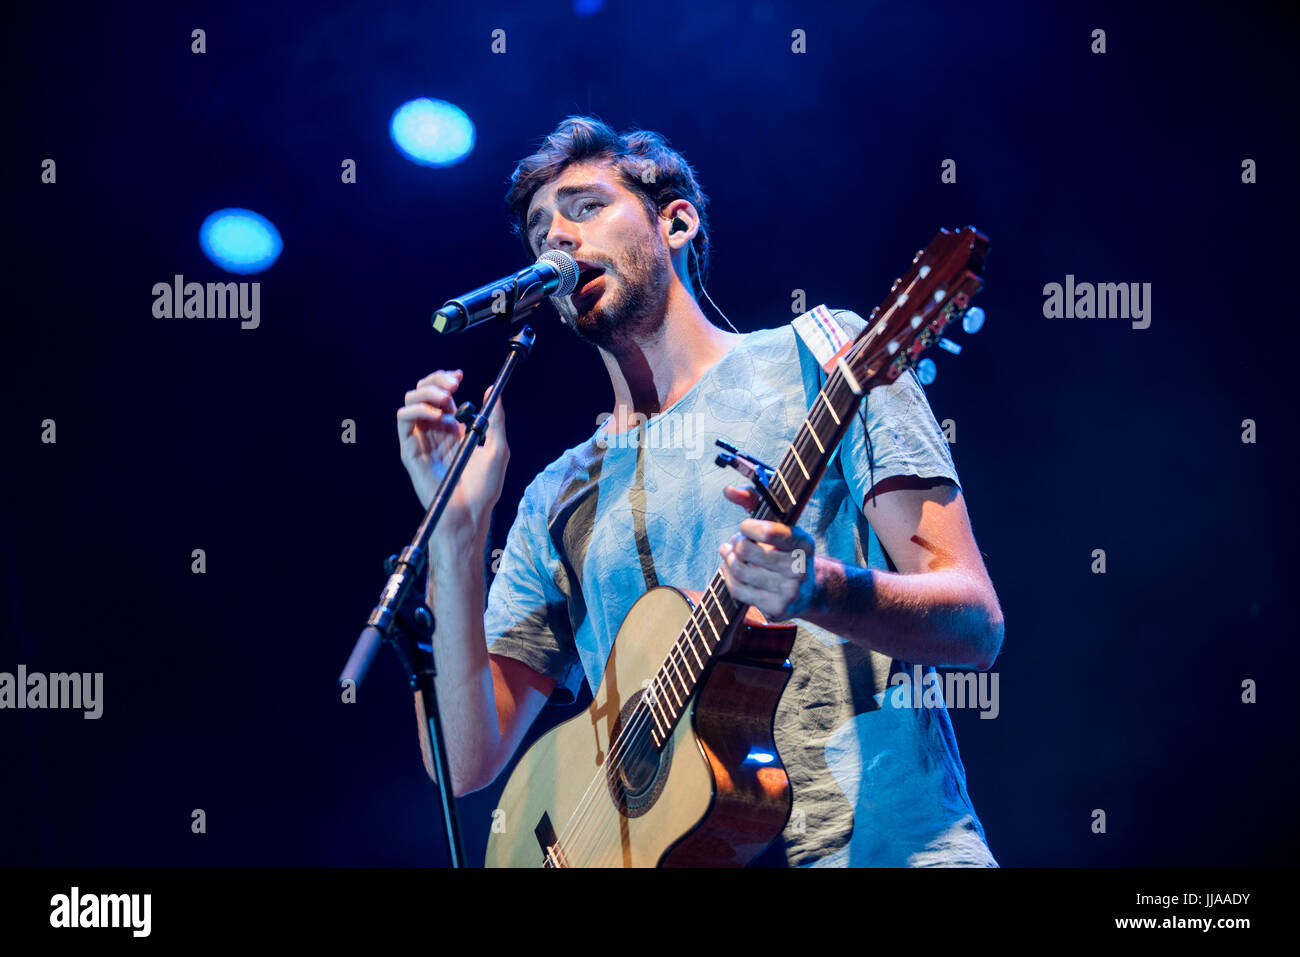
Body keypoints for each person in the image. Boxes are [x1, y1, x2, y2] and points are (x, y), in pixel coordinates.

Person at [396, 116, 1004, 867]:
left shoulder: (825, 356)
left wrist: (822, 589)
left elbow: (976, 625)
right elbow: (462, 760)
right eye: (540, 232)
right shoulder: (557, 495)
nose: (557, 238)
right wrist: (456, 530)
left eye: (585, 207)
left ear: (675, 221)